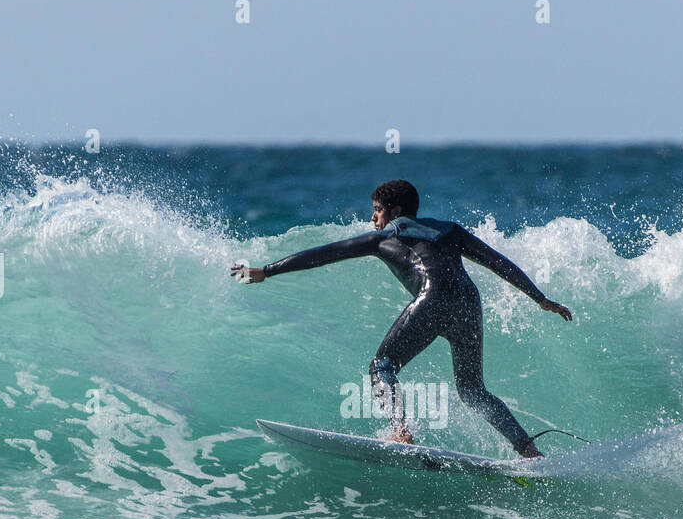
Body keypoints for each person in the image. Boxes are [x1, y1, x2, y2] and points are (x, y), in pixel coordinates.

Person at [230, 179, 572, 458]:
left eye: (377, 211)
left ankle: (401, 431)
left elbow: (325, 254)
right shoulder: (450, 230)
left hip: (433, 297)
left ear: (393, 211)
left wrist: (267, 271)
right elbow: (498, 262)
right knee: (472, 389)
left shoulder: (383, 238)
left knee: (382, 365)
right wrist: (540, 299)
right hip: (468, 302)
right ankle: (528, 451)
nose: (373, 219)